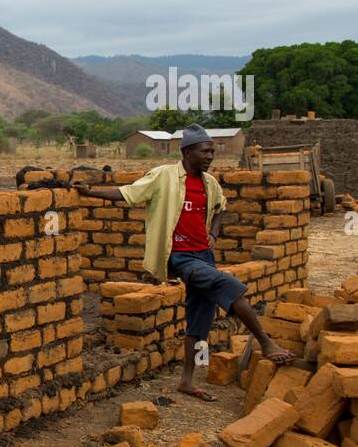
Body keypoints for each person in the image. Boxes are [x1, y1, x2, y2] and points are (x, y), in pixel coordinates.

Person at [73, 123, 294, 401]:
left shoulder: (209, 183)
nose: (210, 156)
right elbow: (128, 193)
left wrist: (214, 232)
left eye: (213, 151)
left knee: (199, 320)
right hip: (179, 257)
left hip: (204, 255)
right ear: (187, 152)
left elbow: (220, 208)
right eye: (205, 151)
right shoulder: (164, 177)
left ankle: (187, 381)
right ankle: (265, 341)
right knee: (228, 283)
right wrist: (90, 191)